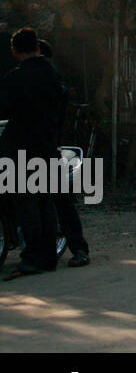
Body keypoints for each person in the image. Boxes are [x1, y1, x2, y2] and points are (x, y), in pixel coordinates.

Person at [0, 28, 64, 277]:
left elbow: (4, 108)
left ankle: (32, 257)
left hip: (22, 149)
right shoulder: (52, 74)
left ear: (15, 50)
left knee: (27, 205)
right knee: (45, 203)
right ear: (36, 47)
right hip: (47, 146)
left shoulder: (16, 78)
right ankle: (49, 257)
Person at [39, 40, 89, 267]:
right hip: (35, 149)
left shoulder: (52, 84)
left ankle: (78, 248)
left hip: (50, 149)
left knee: (61, 201)